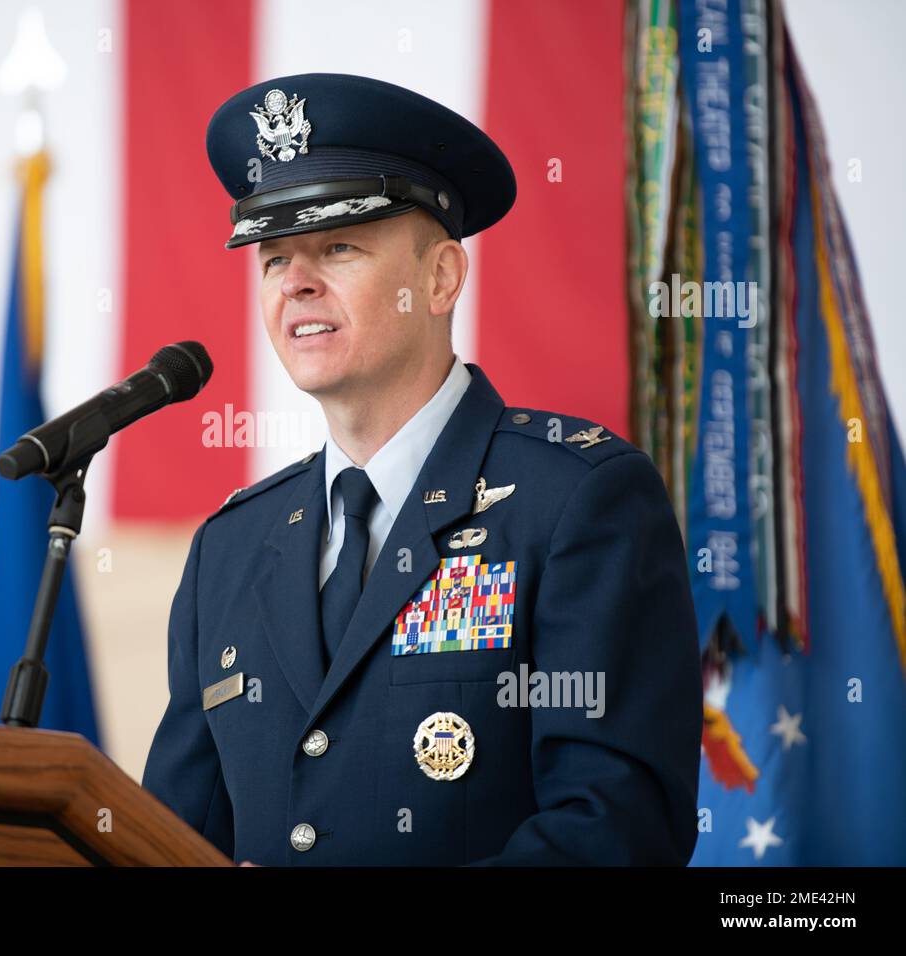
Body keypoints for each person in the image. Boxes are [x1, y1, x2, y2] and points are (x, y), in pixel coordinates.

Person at [141, 72, 701, 865]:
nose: (296, 280)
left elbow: (616, 832)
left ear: (439, 278)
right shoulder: (229, 551)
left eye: (337, 246)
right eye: (273, 257)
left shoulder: (578, 501)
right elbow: (170, 843)